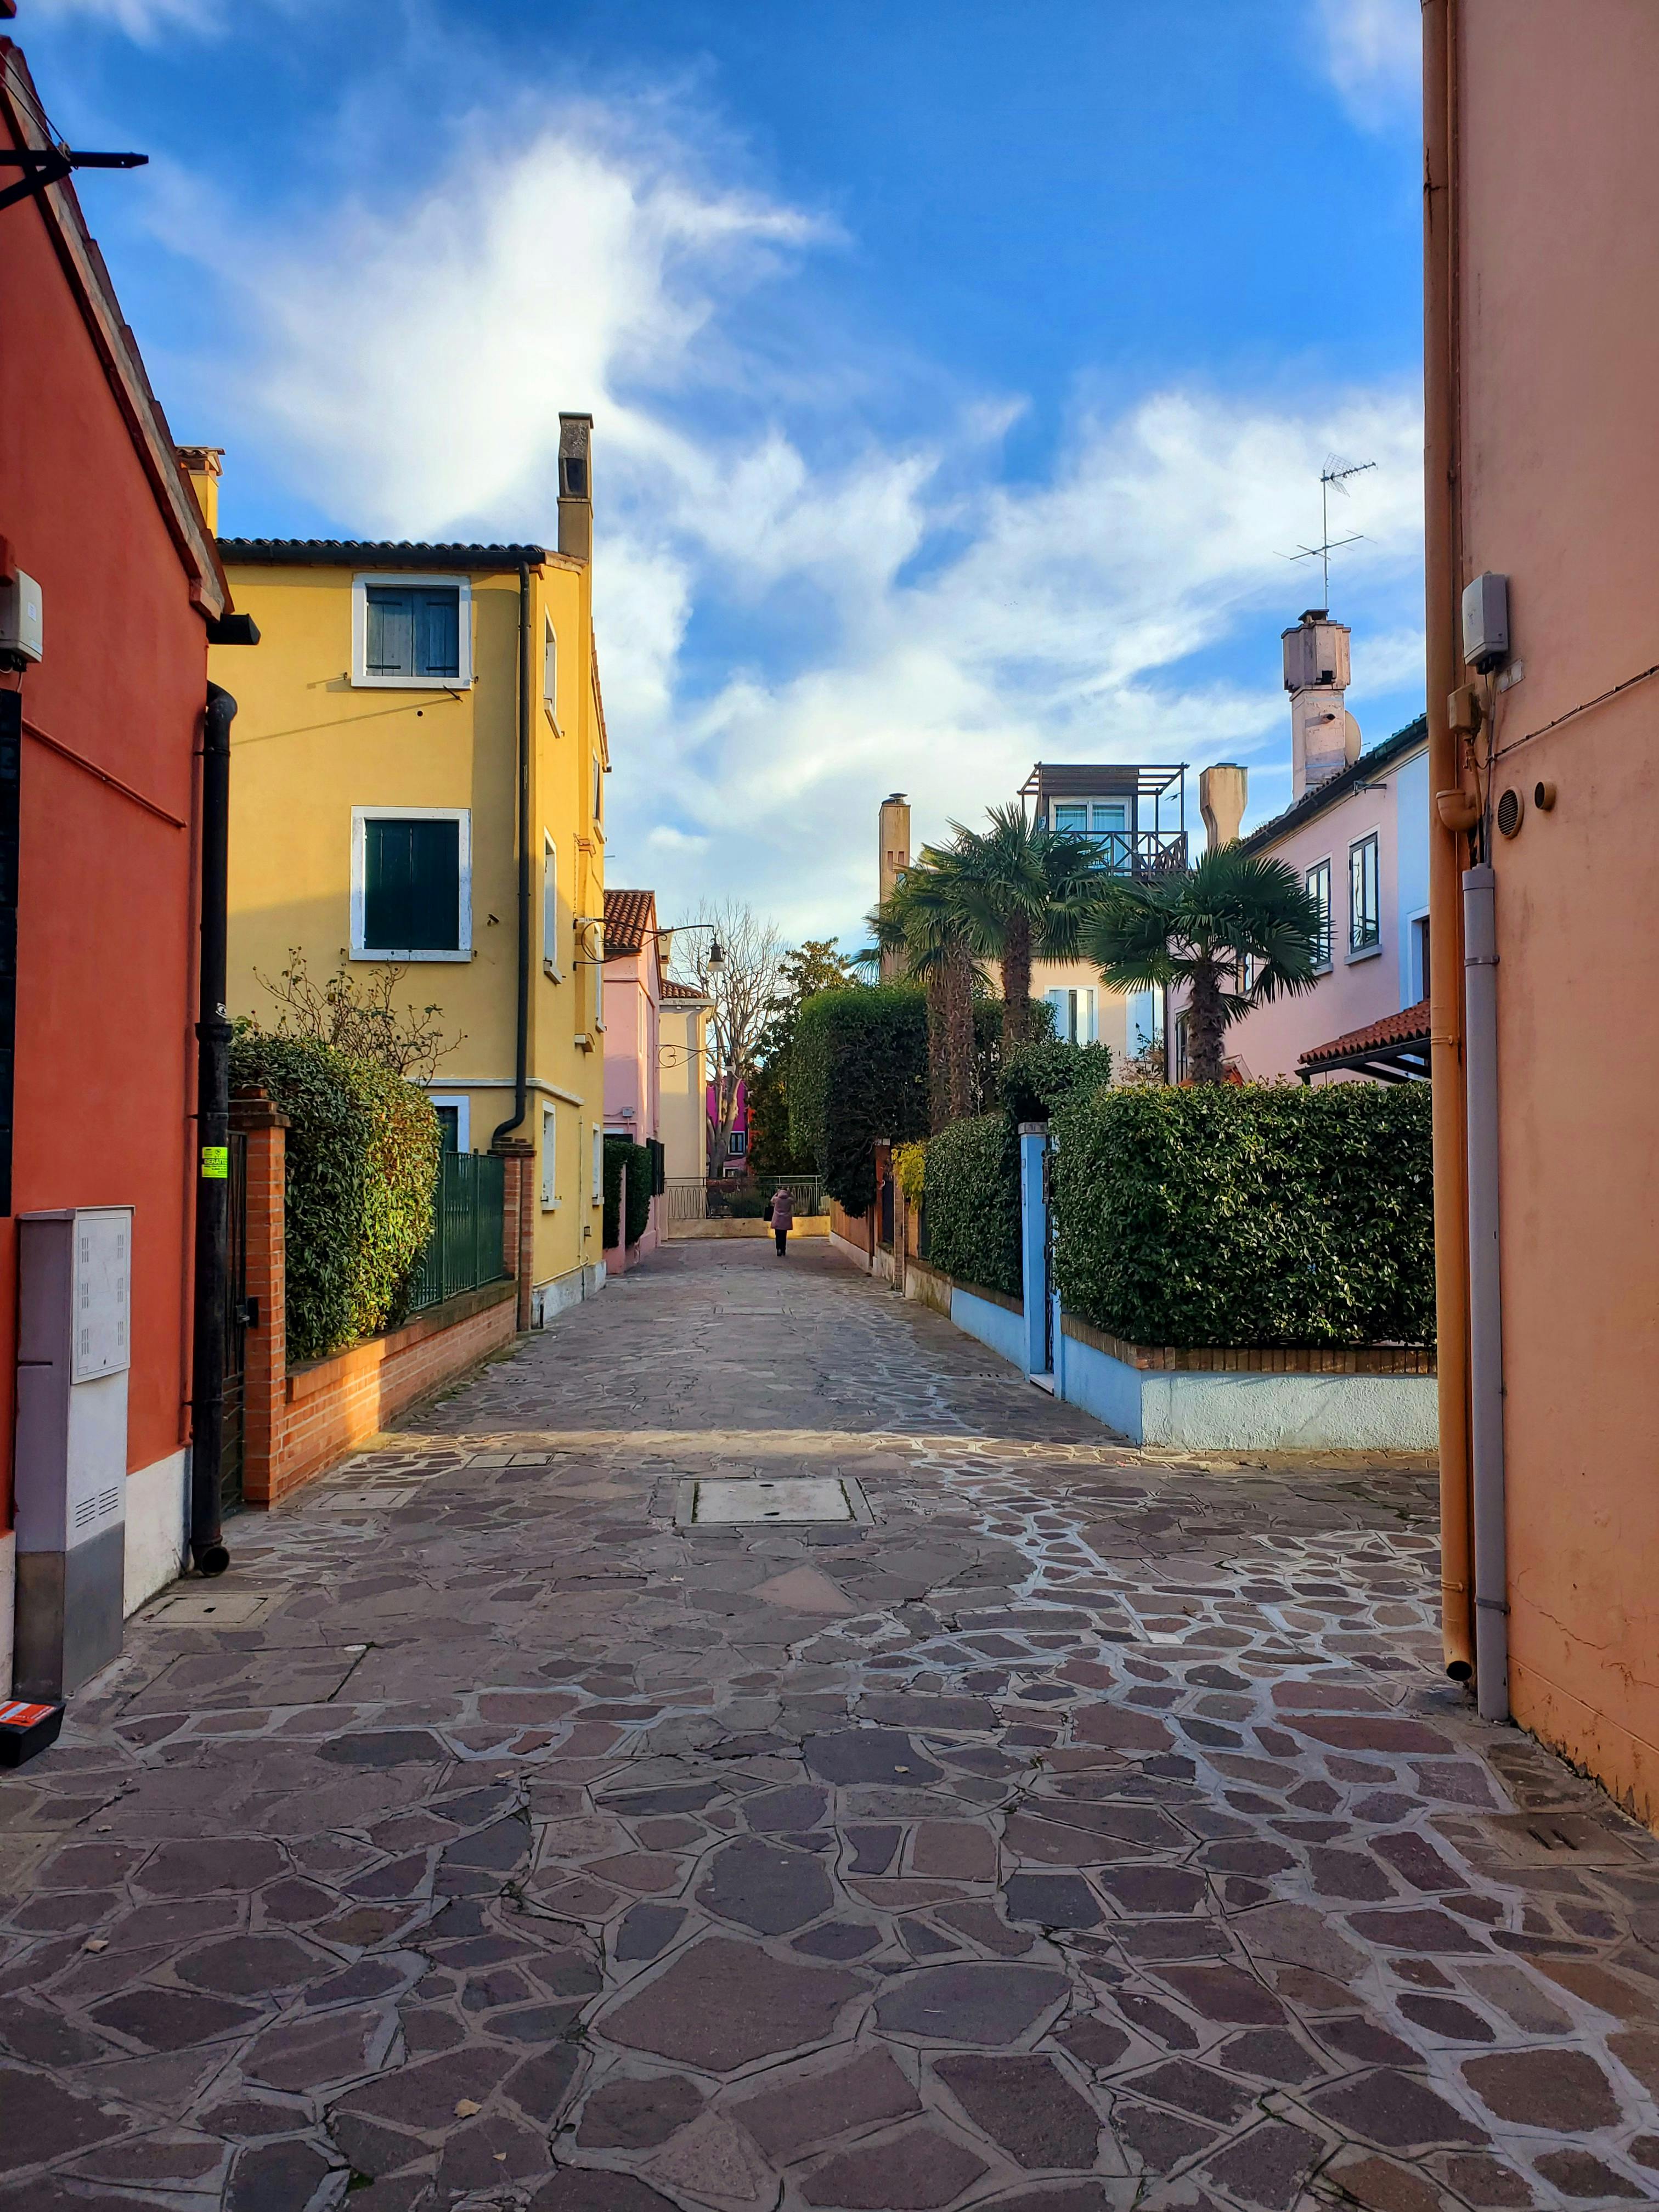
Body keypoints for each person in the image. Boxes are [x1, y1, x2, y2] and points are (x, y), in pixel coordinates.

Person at [768, 1183, 795, 1258]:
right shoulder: (789, 1200)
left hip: (777, 1220)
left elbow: (771, 1200)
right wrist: (790, 1194)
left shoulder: (776, 1199)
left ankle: (778, 1249)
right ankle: (783, 1250)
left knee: (778, 1236)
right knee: (784, 1236)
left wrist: (776, 1193)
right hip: (785, 1221)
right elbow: (795, 1201)